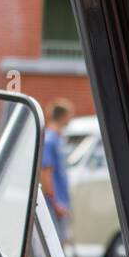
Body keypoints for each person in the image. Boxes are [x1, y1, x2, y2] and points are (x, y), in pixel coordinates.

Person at [41, 99, 74, 242]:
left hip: (61, 202)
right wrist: (56, 204)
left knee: (62, 241)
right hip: (54, 204)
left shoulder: (58, 139)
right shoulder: (49, 140)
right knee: (55, 244)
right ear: (64, 116)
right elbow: (45, 174)